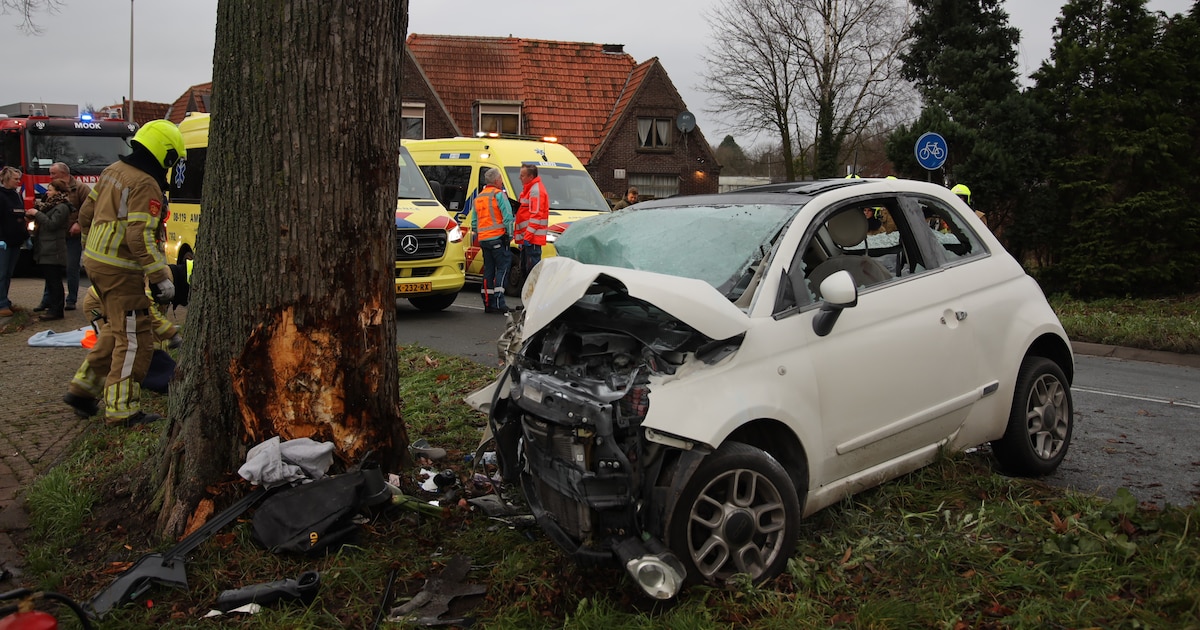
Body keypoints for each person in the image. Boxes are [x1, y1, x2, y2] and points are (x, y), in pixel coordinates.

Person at [63, 120, 184, 427]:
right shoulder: (146, 184)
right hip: (121, 271)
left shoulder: (112, 170)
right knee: (135, 340)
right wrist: (160, 277)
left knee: (117, 330)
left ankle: (82, 389)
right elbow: (139, 237)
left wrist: (93, 249)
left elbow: (87, 214)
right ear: (165, 155)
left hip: (98, 265)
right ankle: (122, 411)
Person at [47, 162, 91, 311]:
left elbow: (90, 208)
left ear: (64, 173)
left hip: (73, 236)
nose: (50, 177)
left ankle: (71, 299)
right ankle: (47, 299)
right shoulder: (52, 188)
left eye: (53, 174)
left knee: (72, 267)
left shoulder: (80, 188)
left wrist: (79, 223)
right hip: (56, 235)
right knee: (51, 268)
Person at [25, 179, 72, 321]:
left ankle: (56, 311)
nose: (47, 192)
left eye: (50, 190)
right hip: (46, 247)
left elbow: (52, 224)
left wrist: (37, 214)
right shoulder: (51, 205)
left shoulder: (62, 207)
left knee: (54, 281)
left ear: (58, 192)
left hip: (54, 250)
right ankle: (53, 308)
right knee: (51, 281)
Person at [472, 168, 514, 314]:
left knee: (488, 270)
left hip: (484, 240)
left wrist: (481, 235)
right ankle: (498, 301)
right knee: (502, 268)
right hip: (497, 238)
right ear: (497, 181)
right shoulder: (499, 195)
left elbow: (474, 222)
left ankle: (488, 302)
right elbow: (508, 218)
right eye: (501, 179)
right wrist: (509, 236)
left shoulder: (479, 198)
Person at [514, 163, 549, 277]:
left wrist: (527, 237)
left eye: (522, 176)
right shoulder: (529, 190)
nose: (520, 178)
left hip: (532, 239)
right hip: (529, 238)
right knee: (527, 270)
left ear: (530, 177)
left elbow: (536, 216)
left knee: (532, 272)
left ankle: (533, 294)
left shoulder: (535, 191)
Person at [0, 167, 25, 317]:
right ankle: (1, 304)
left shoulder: (16, 195)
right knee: (1, 274)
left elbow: (19, 216)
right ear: (6, 179)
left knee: (8, 273)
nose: (18, 181)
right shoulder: (1, 196)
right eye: (15, 179)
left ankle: (5, 301)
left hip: (15, 241)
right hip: (3, 242)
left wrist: (25, 237)